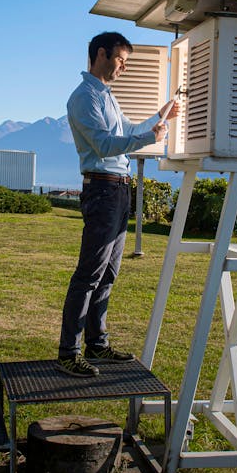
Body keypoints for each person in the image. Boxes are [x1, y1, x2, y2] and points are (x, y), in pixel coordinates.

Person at [57, 31, 179, 377]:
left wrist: (160, 116)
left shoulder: (107, 97)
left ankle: (98, 345)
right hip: (103, 190)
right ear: (101, 54)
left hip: (119, 190)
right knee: (89, 273)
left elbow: (128, 130)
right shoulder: (84, 98)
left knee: (109, 273)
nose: (123, 68)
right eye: (120, 60)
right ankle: (69, 351)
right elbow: (104, 145)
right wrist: (148, 137)